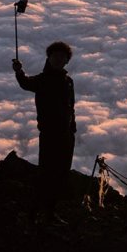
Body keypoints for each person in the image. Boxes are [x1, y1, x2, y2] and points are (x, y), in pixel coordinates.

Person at [13, 42, 77, 223]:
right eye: (55, 56)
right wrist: (19, 71)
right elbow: (25, 83)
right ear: (49, 58)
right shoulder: (43, 80)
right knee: (46, 173)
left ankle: (48, 212)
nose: (58, 59)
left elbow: (71, 107)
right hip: (50, 135)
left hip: (66, 135)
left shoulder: (68, 82)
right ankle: (34, 213)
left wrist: (73, 128)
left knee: (60, 173)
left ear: (66, 61)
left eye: (62, 57)